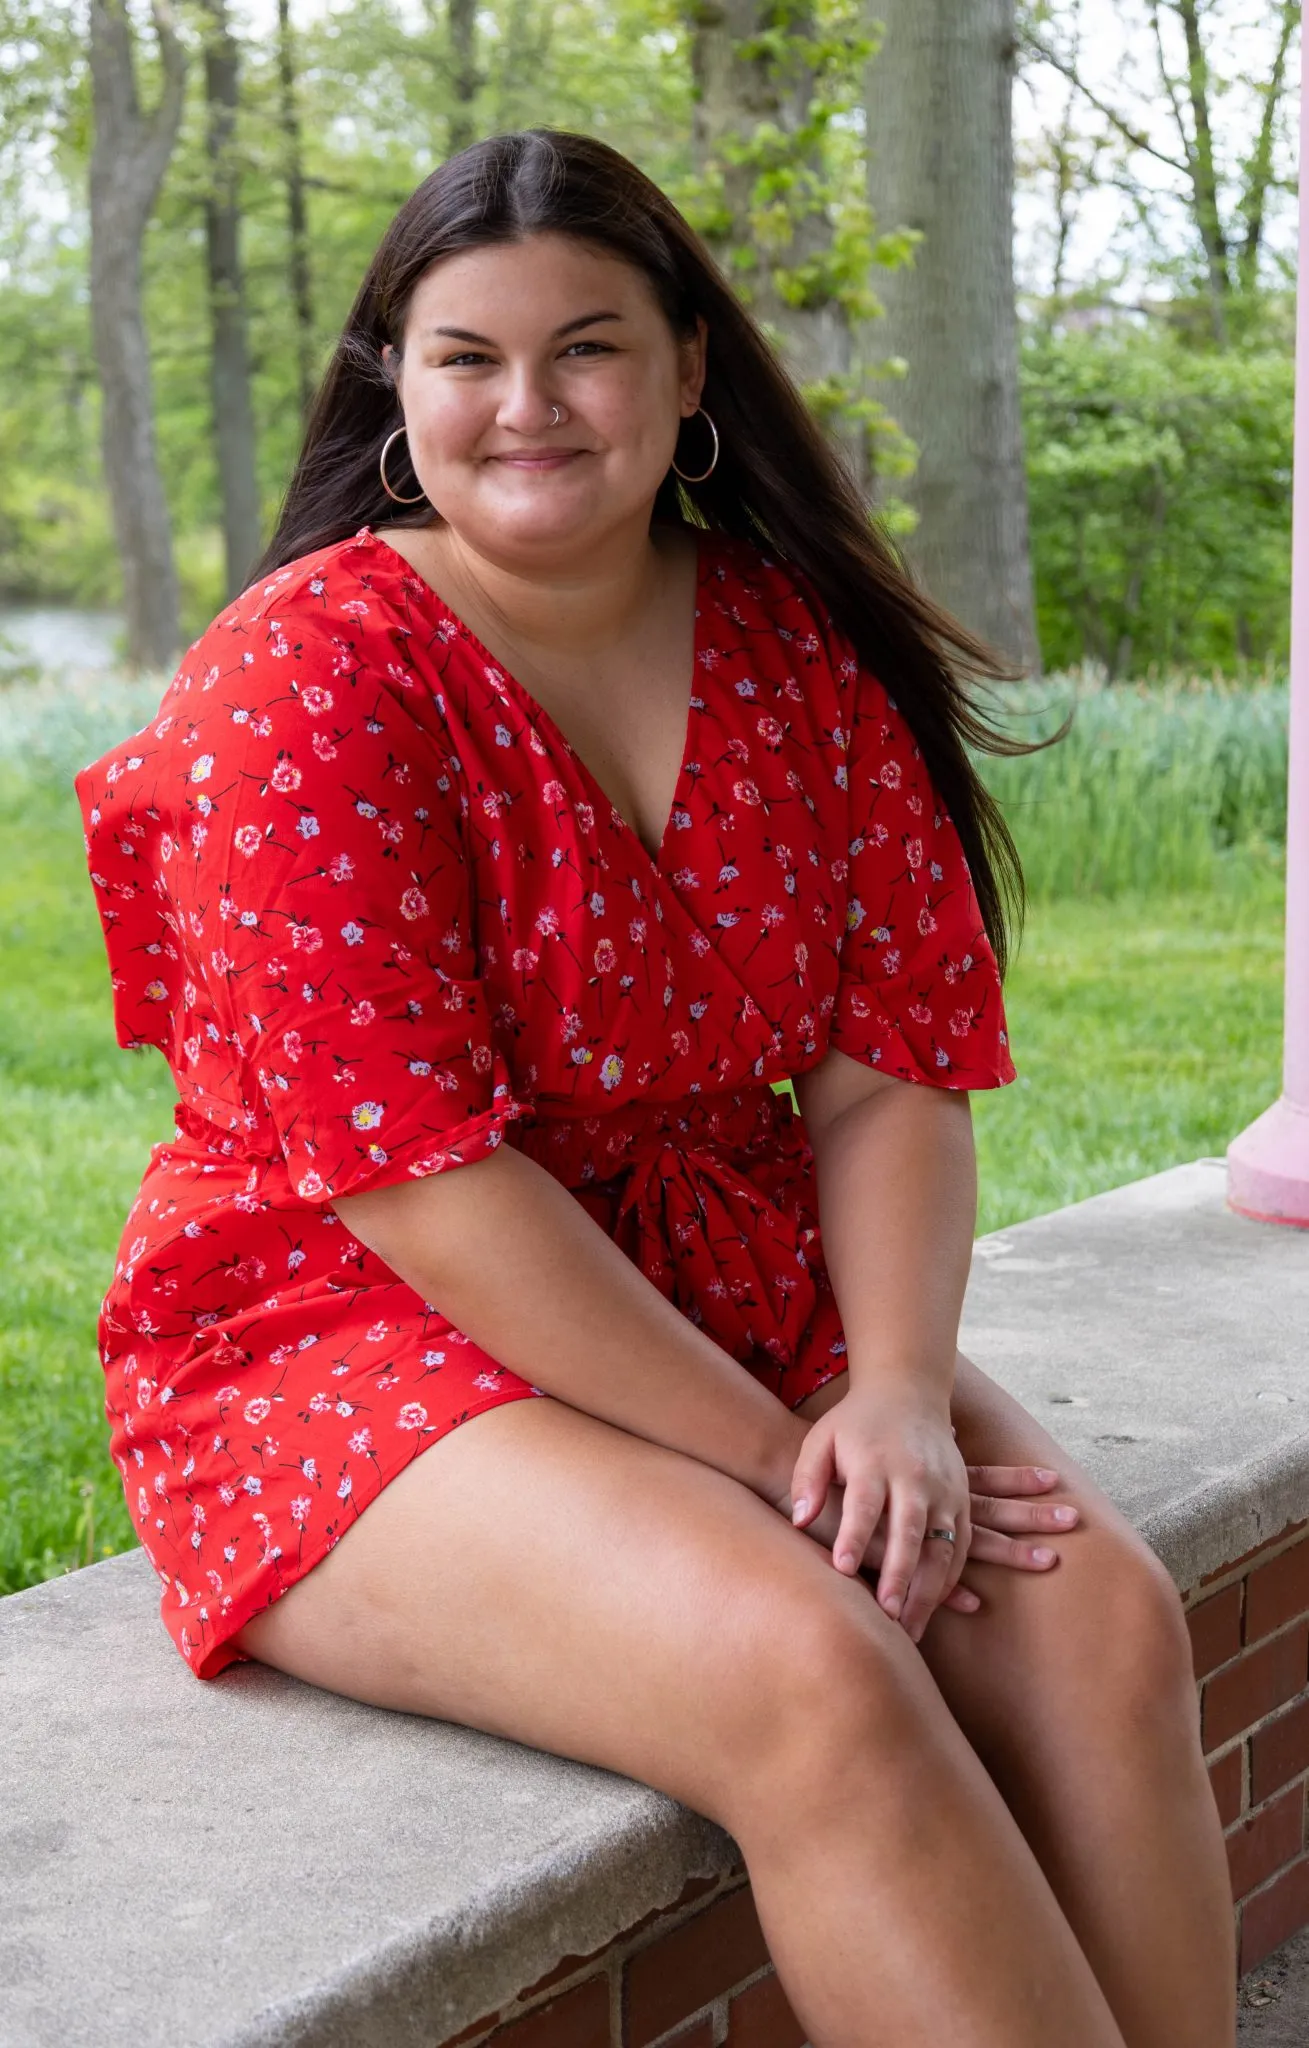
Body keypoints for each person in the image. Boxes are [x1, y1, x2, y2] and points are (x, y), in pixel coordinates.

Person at [76, 128, 1234, 2048]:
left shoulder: (791, 643)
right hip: (343, 1323)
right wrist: (791, 1462)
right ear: (396, 383)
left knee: (1101, 1618)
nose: (528, 406)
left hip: (718, 1262)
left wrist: (888, 1398)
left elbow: (889, 1079)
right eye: (467, 356)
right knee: (817, 1663)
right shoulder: (307, 678)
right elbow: (423, 1187)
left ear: (690, 369)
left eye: (588, 348)